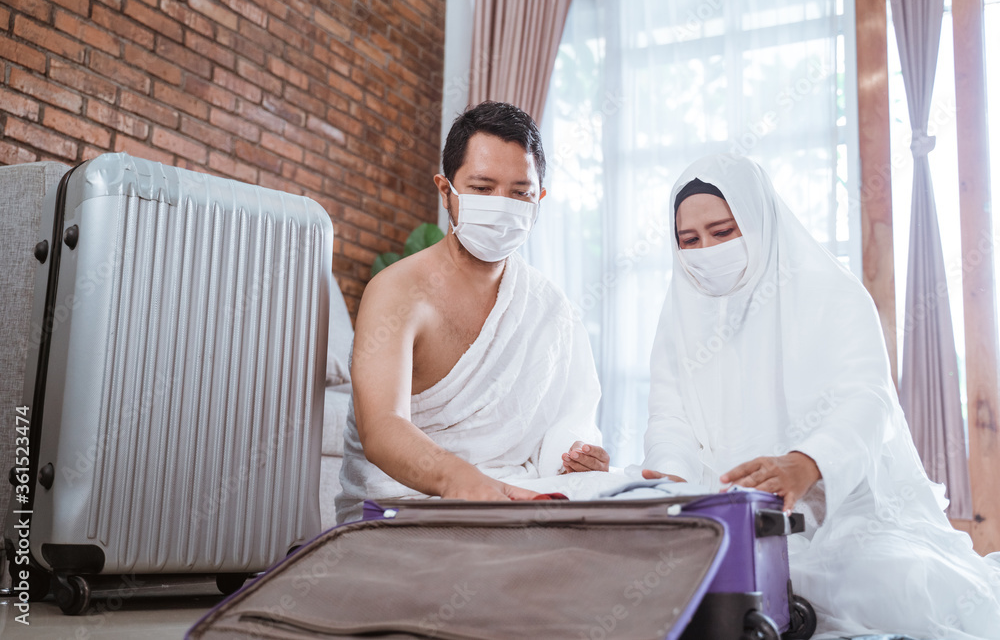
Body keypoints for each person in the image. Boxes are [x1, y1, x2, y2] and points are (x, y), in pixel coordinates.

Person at [643, 154, 1000, 639]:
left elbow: (867, 401)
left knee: (892, 586)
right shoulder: (680, 314)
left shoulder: (831, 292)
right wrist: (669, 485)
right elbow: (670, 418)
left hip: (848, 520)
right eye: (690, 239)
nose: (706, 249)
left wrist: (807, 462)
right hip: (729, 520)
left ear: (757, 221)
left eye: (723, 231)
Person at [336, 101, 609, 523]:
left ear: (539, 199)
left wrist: (576, 459)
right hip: (408, 506)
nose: (503, 205)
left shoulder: (551, 308)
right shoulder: (396, 292)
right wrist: (461, 482)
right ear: (446, 192)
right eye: (482, 189)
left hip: (521, 498)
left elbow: (569, 423)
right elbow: (382, 427)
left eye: (520, 193)